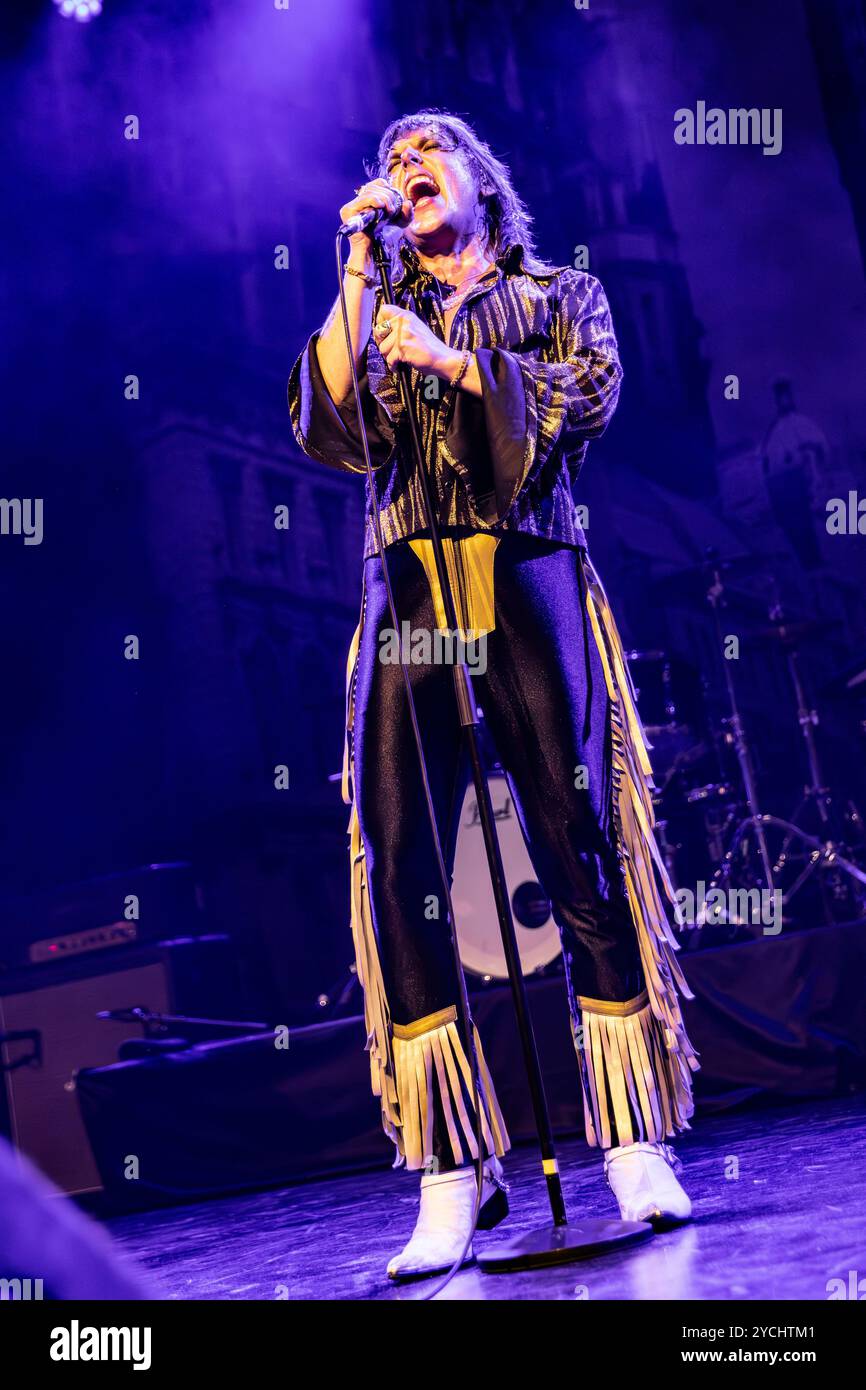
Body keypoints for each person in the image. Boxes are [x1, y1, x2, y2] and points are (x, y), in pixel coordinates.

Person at [288, 110, 697, 1280]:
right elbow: (328, 423)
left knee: (578, 841)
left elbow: (587, 399)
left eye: (431, 155)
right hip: (407, 585)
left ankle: (630, 1138)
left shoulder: (560, 290)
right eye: (389, 161)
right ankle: (451, 1173)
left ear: (482, 183)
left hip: (527, 570)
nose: (405, 169)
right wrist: (356, 281)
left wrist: (454, 360)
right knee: (403, 856)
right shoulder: (371, 309)